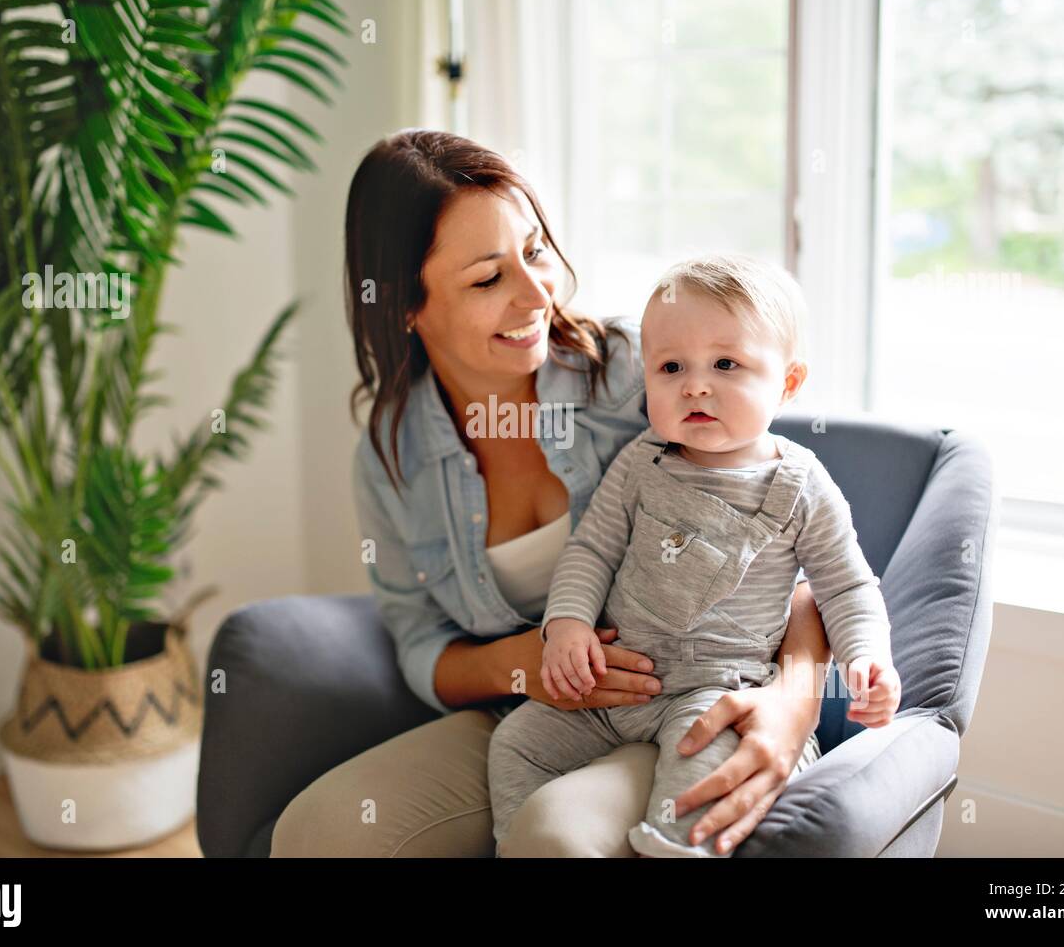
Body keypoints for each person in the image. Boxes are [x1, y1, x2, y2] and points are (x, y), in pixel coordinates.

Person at [270, 130, 839, 858]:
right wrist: (523, 664)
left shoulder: (642, 373)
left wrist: (792, 706)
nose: (538, 293)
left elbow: (794, 545)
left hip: (680, 695)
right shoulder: (392, 458)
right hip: (529, 713)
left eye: (535, 251)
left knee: (555, 838)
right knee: (318, 833)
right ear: (407, 306)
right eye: (486, 279)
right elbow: (416, 639)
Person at [489, 253, 902, 857]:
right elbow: (592, 550)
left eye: (726, 364)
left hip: (713, 689)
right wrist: (567, 626)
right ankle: (510, 844)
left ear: (787, 383)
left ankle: (676, 851)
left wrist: (868, 655)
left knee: (699, 781)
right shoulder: (641, 461)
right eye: (671, 366)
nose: (695, 385)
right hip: (610, 680)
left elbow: (846, 588)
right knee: (516, 742)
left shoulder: (801, 484)